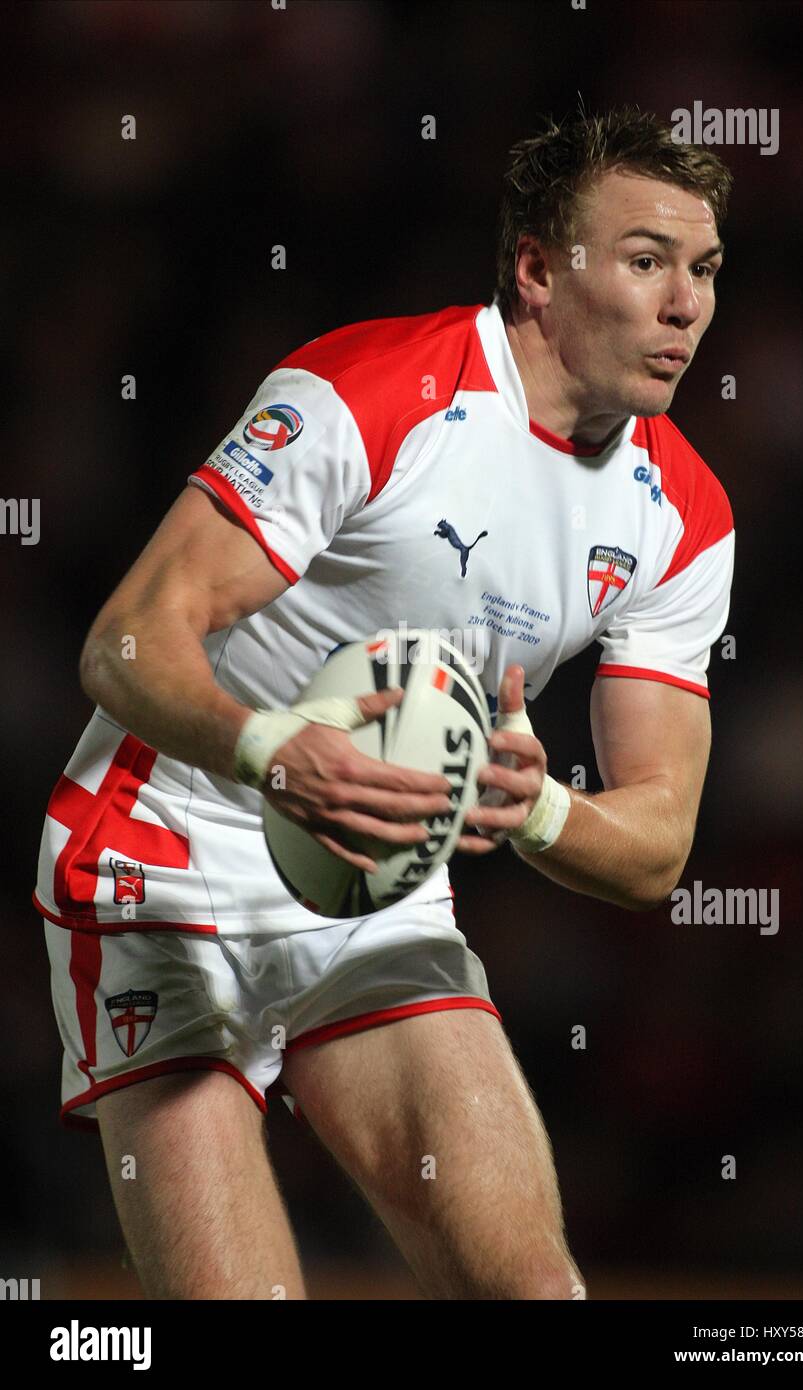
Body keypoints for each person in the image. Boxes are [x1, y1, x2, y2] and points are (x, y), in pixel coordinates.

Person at [35, 106, 734, 1300]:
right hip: (165, 855)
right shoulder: (366, 393)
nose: (686, 305)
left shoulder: (684, 516)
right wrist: (274, 751)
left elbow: (658, 842)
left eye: (705, 270)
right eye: (645, 261)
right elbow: (126, 643)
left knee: (532, 1293)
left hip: (378, 894)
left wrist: (537, 814)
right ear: (534, 270)